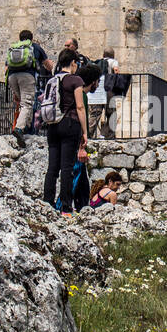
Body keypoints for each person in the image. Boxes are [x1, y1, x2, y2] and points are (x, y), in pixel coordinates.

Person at [42, 49, 95, 215]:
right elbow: (80, 106)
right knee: (67, 168)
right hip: (70, 125)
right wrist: (85, 132)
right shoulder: (75, 80)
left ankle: (47, 203)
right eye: (76, 64)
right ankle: (66, 207)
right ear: (73, 63)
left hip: (52, 125)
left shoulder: (52, 80)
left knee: (52, 167)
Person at [4, 29, 50, 149]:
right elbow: (48, 64)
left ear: (20, 38)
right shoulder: (35, 47)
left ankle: (26, 127)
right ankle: (19, 129)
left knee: (21, 103)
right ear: (31, 38)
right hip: (27, 76)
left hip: (12, 77)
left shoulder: (14, 48)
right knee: (27, 104)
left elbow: (6, 67)